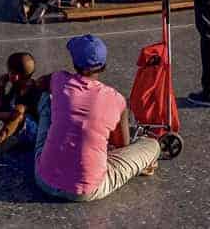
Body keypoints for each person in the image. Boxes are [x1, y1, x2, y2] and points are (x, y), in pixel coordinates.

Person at [34, 35, 160, 201]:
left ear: (74, 62)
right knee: (152, 144)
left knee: (46, 101)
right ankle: (141, 165)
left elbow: (40, 83)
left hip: (43, 179)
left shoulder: (59, 80)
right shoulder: (116, 99)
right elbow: (122, 145)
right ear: (103, 66)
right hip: (86, 190)